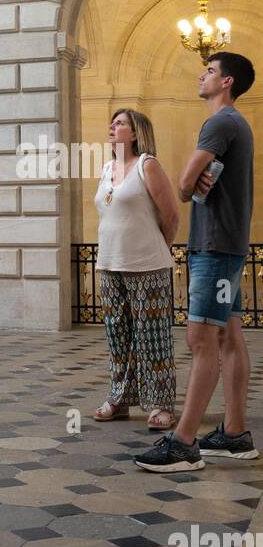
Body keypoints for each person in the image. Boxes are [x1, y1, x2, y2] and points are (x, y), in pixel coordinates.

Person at [136, 52, 258, 472]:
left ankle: (184, 442)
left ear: (226, 82)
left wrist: (189, 187)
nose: (201, 75)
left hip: (215, 246)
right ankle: (236, 434)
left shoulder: (221, 122)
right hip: (228, 244)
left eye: (209, 71)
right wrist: (195, 181)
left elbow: (186, 182)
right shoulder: (236, 124)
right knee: (228, 337)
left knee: (200, 339)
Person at [93, 109, 179, 430]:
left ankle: (161, 404)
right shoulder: (106, 168)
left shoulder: (147, 165)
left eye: (120, 123)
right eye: (112, 122)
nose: (112, 126)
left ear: (136, 132)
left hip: (147, 265)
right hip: (110, 263)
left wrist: (157, 250)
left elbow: (171, 216)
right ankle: (119, 398)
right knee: (118, 334)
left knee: (151, 336)